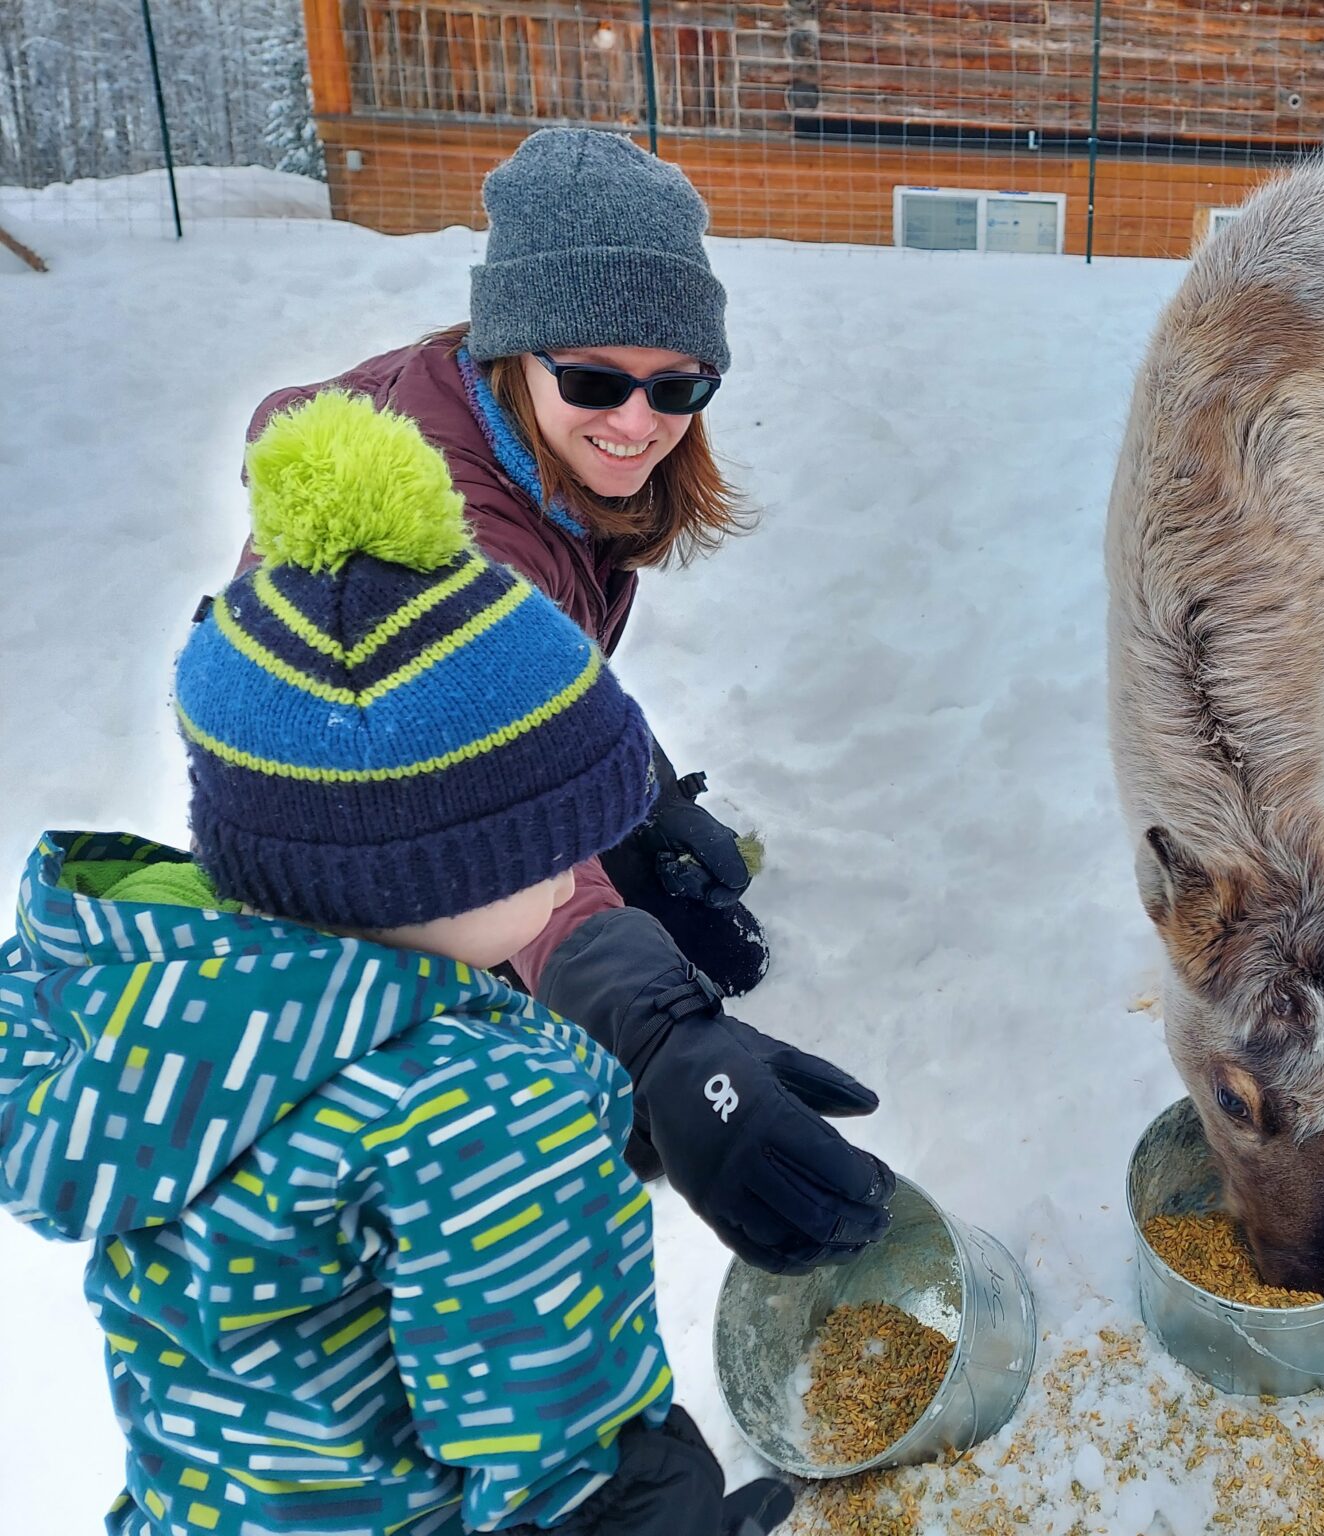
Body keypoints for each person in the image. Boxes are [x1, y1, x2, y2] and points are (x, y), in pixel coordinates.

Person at [0, 393, 819, 1534]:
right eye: (547, 848)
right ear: (417, 876)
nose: (570, 875)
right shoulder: (481, 1110)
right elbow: (559, 1454)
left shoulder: (137, 1022)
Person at [239, 127, 893, 1278]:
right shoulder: (438, 543)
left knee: (693, 934)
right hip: (360, 852)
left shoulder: (530, 438)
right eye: (594, 378)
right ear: (514, 351)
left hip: (459, 766)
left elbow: (547, 682)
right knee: (589, 1089)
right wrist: (655, 1037)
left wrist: (635, 788)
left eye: (678, 383)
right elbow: (479, 804)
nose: (637, 422)